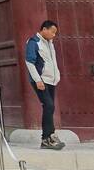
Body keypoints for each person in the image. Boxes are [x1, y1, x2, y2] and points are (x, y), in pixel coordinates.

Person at [25, 20, 65, 150]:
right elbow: (30, 62)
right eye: (52, 32)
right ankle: (47, 137)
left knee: (49, 107)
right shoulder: (33, 42)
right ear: (44, 29)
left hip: (51, 80)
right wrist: (37, 80)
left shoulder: (49, 43)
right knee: (49, 105)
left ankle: (48, 138)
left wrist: (56, 76)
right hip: (40, 80)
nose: (54, 35)